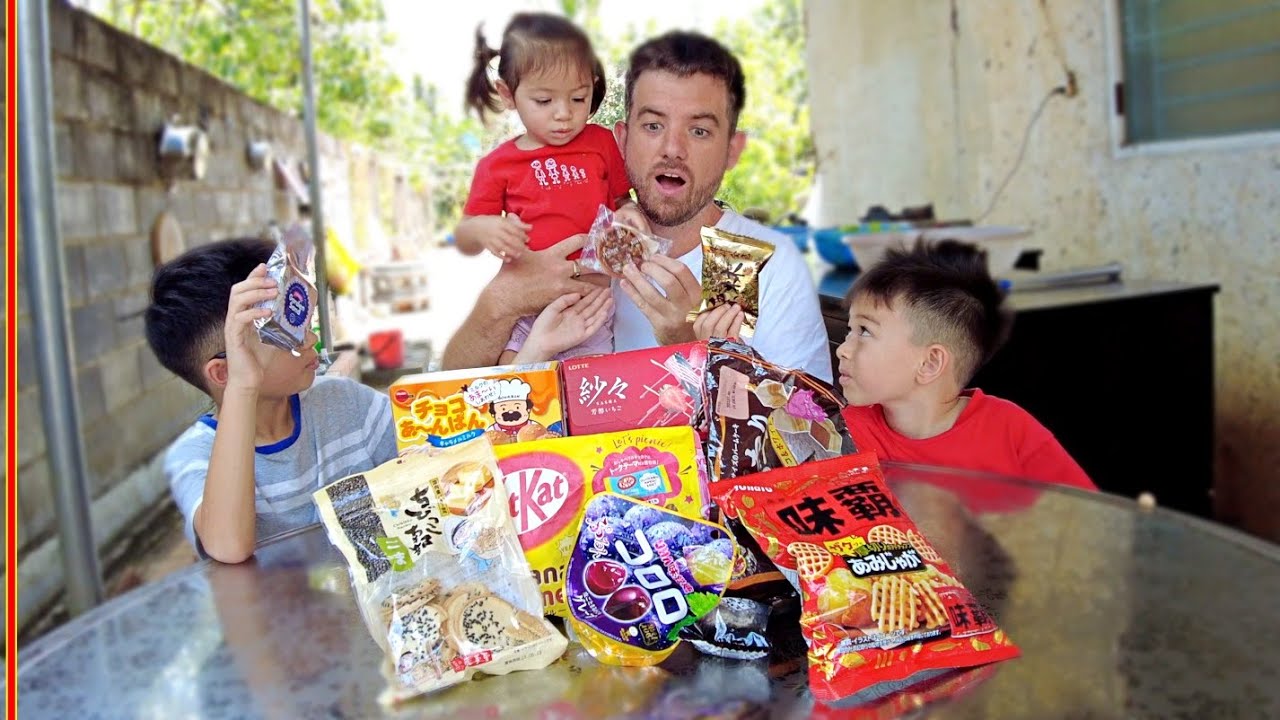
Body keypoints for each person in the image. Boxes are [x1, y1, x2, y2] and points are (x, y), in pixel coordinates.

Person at [443, 31, 832, 382]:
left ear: (732, 150)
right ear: (621, 139)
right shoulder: (579, 239)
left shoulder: (743, 260)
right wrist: (501, 301)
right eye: (653, 126)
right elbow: (451, 399)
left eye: (699, 131)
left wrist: (687, 344)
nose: (672, 149)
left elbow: (807, 423)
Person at [144, 238, 397, 563]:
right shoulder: (193, 457)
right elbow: (228, 546)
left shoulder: (346, 403)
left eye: (302, 321)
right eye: (287, 333)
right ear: (223, 372)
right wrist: (242, 385)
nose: (311, 339)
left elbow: (426, 456)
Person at [456, 12, 646, 363]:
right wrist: (484, 228)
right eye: (544, 101)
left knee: (589, 382)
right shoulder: (497, 165)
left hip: (592, 308)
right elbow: (465, 236)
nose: (563, 114)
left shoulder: (601, 143)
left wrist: (630, 213)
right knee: (516, 383)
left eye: (578, 98)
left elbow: (622, 200)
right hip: (527, 307)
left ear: (592, 86)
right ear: (508, 94)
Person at [835, 238, 1096, 491]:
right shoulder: (845, 430)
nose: (842, 350)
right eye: (849, 330)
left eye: (865, 331)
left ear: (929, 363)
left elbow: (1086, 512)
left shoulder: (1011, 431)